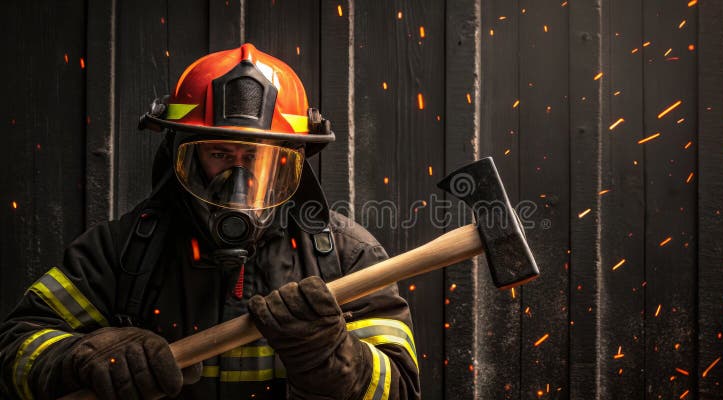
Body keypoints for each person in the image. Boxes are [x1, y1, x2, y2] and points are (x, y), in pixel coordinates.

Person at [0, 43, 420, 400]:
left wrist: (337, 359)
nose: (238, 181)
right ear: (180, 155)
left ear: (294, 166)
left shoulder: (345, 255)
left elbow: (399, 387)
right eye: (219, 154)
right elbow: (18, 349)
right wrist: (84, 358)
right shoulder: (120, 250)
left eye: (256, 158)